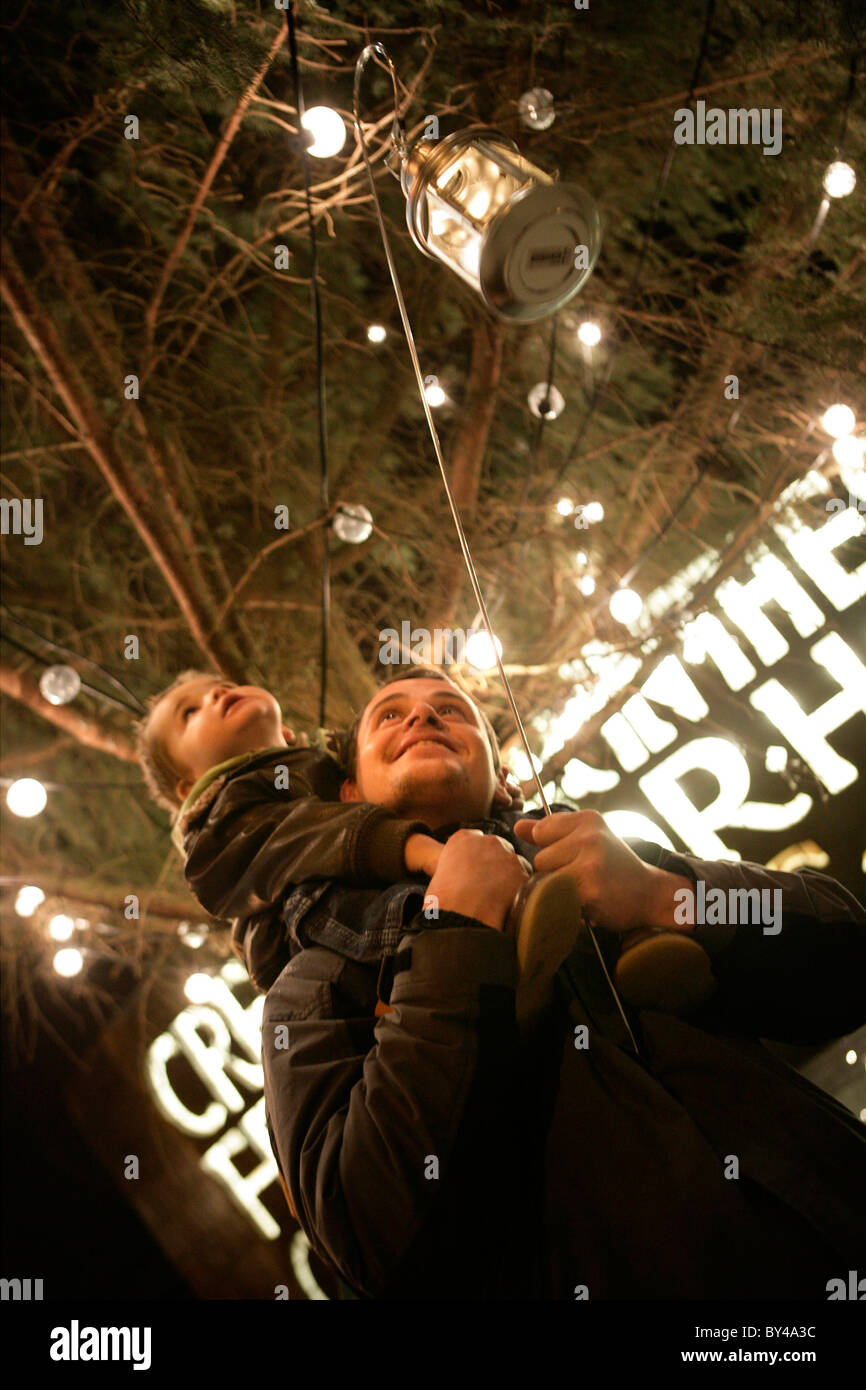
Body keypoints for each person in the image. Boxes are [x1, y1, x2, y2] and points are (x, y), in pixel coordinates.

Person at [253, 667, 866, 1301]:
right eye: (390, 715)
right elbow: (369, 1239)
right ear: (351, 797)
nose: (424, 719)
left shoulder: (598, 858)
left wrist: (668, 897)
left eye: (450, 710)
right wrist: (455, 938)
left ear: (502, 780)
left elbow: (848, 958)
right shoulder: (314, 981)